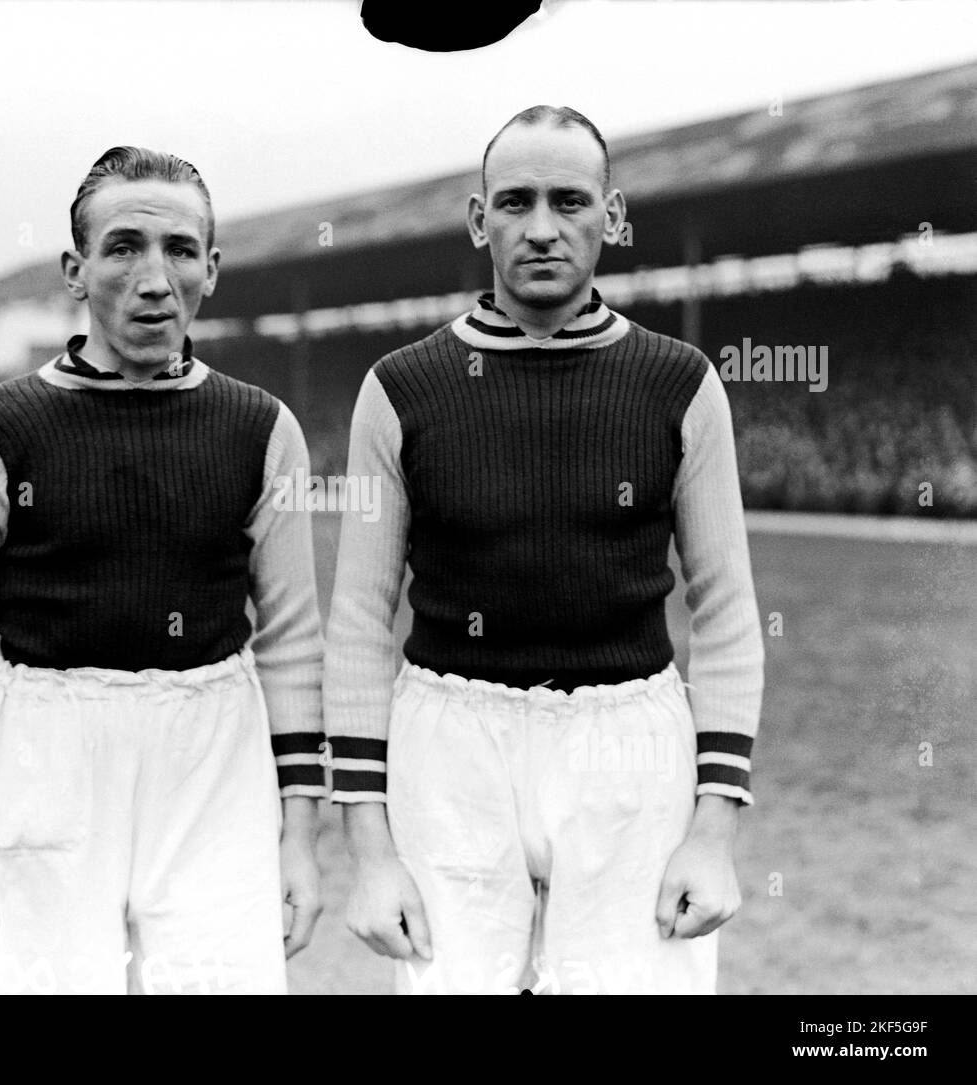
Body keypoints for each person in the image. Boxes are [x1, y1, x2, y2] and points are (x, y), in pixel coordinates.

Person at [324, 106, 765, 994]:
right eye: (515, 201)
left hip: (627, 744)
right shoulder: (400, 389)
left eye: (569, 201)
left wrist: (714, 832)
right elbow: (358, 624)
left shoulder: (680, 383)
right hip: (449, 746)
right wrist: (370, 851)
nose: (541, 228)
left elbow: (724, 613)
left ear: (612, 215)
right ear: (478, 218)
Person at [0, 146, 325, 994]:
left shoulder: (261, 429)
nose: (154, 278)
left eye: (180, 251)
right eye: (124, 247)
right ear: (75, 268)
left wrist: (299, 837)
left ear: (212, 269)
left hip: (215, 764)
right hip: (47, 754)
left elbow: (293, 643)